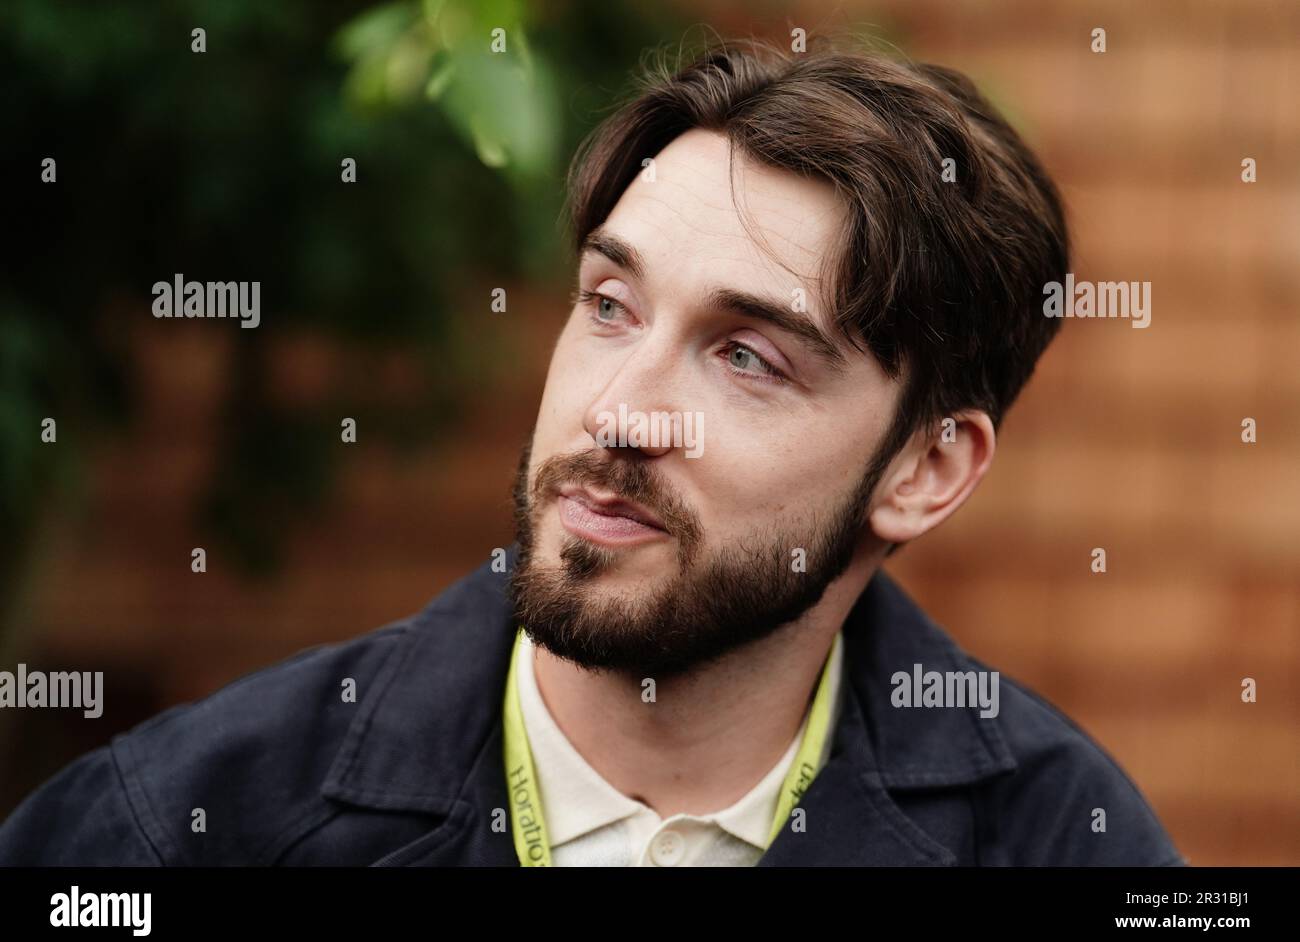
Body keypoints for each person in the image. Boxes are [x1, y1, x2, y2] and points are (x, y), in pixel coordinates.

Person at [0, 37, 1185, 867]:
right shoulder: (180, 826)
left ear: (924, 469)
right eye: (610, 304)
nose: (617, 412)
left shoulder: (1059, 838)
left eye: (747, 357)